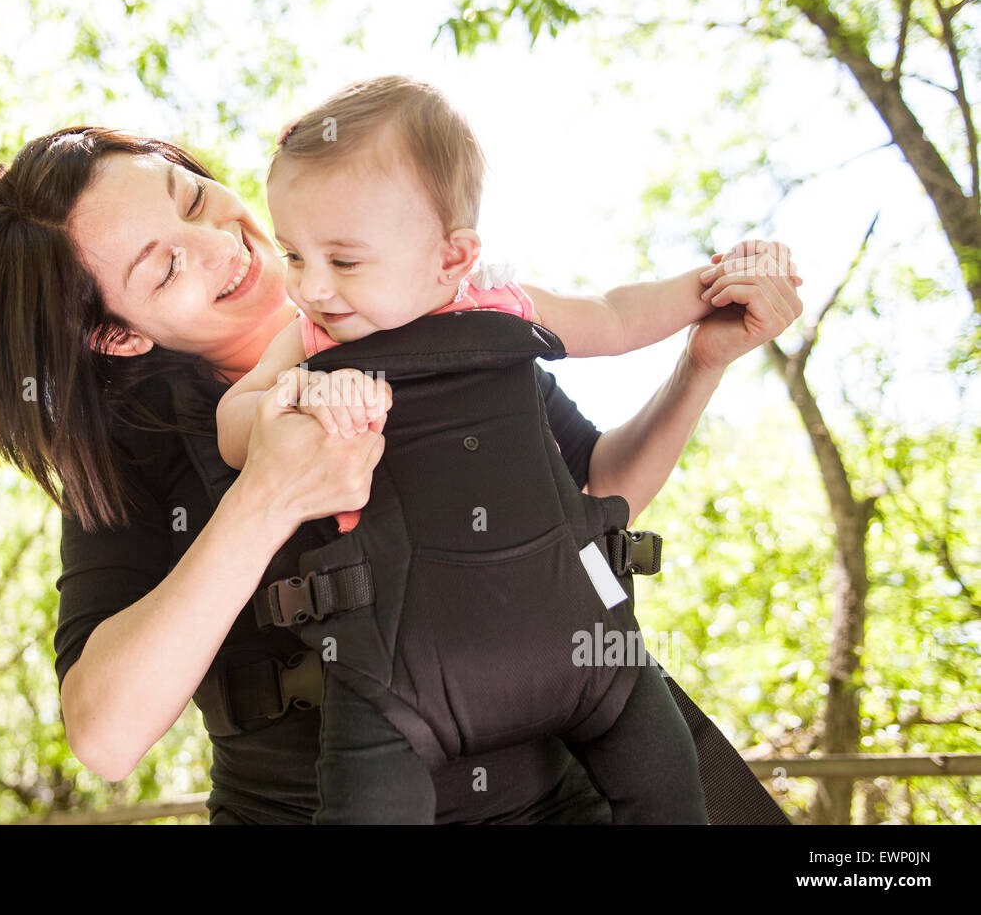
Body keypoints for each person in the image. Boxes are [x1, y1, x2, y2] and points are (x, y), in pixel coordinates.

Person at [0, 122, 803, 824]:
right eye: (166, 266)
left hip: (563, 786)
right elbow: (105, 736)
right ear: (119, 335)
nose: (221, 246)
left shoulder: (416, 306)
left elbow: (600, 487)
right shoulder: (133, 458)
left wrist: (700, 365)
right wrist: (267, 497)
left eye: (192, 199)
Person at [215, 76, 796, 823]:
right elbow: (234, 421)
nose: (311, 286)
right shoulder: (309, 346)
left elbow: (616, 318)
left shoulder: (501, 307)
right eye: (293, 255)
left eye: (345, 261)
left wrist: (714, 284)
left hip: (588, 658)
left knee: (671, 791)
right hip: (397, 683)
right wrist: (290, 399)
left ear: (452, 258)